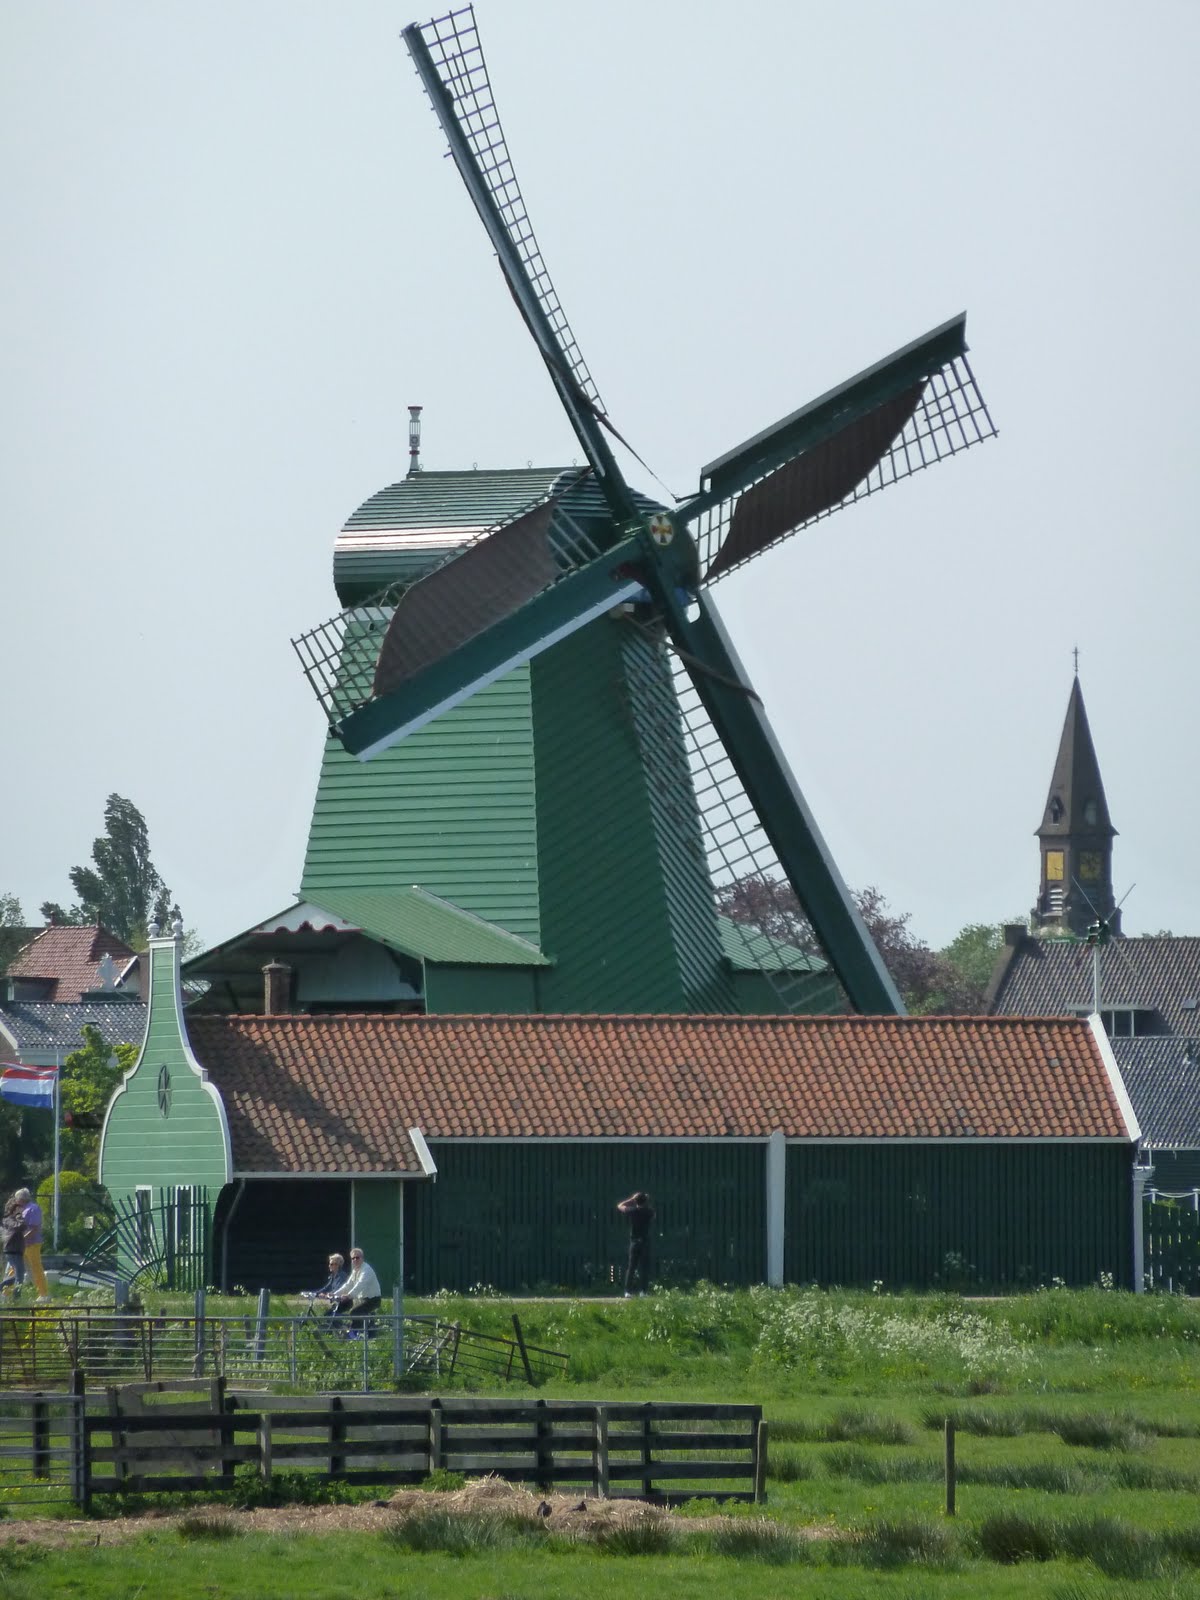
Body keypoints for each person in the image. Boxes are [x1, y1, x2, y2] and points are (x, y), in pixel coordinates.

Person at [329, 1247, 381, 1330]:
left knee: (355, 1312)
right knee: (349, 1312)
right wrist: (335, 1294)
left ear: (362, 1258)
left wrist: (349, 1295)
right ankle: (358, 1330)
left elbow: (360, 1285)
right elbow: (348, 1285)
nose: (355, 1260)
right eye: (353, 1258)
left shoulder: (366, 1270)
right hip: (363, 1299)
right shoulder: (355, 1270)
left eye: (357, 1257)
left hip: (373, 1299)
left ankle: (357, 1334)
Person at [617, 1191, 655, 1297]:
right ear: (645, 1201)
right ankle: (643, 1291)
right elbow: (653, 1214)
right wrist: (646, 1200)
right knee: (644, 1267)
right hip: (645, 1242)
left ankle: (627, 1291)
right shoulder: (649, 1212)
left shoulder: (633, 1211)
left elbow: (620, 1206)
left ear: (636, 1201)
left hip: (634, 1242)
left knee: (631, 1267)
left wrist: (631, 1199)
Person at [14, 1189, 49, 1301]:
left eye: (16, 1198)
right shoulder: (22, 1210)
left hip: (32, 1244)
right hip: (22, 1245)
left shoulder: (33, 1209)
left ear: (21, 1199)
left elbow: (34, 1228)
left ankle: (44, 1295)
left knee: (36, 1268)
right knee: (14, 1268)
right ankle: (5, 1293)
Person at [1, 1195, 25, 1299]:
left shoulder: (14, 1219)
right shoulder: (9, 1220)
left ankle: (8, 1292)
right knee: (19, 1276)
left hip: (16, 1250)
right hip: (12, 1250)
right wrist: (19, 1216)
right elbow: (20, 1227)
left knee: (18, 1275)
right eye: (19, 1208)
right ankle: (16, 1299)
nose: (21, 1210)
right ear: (14, 1209)